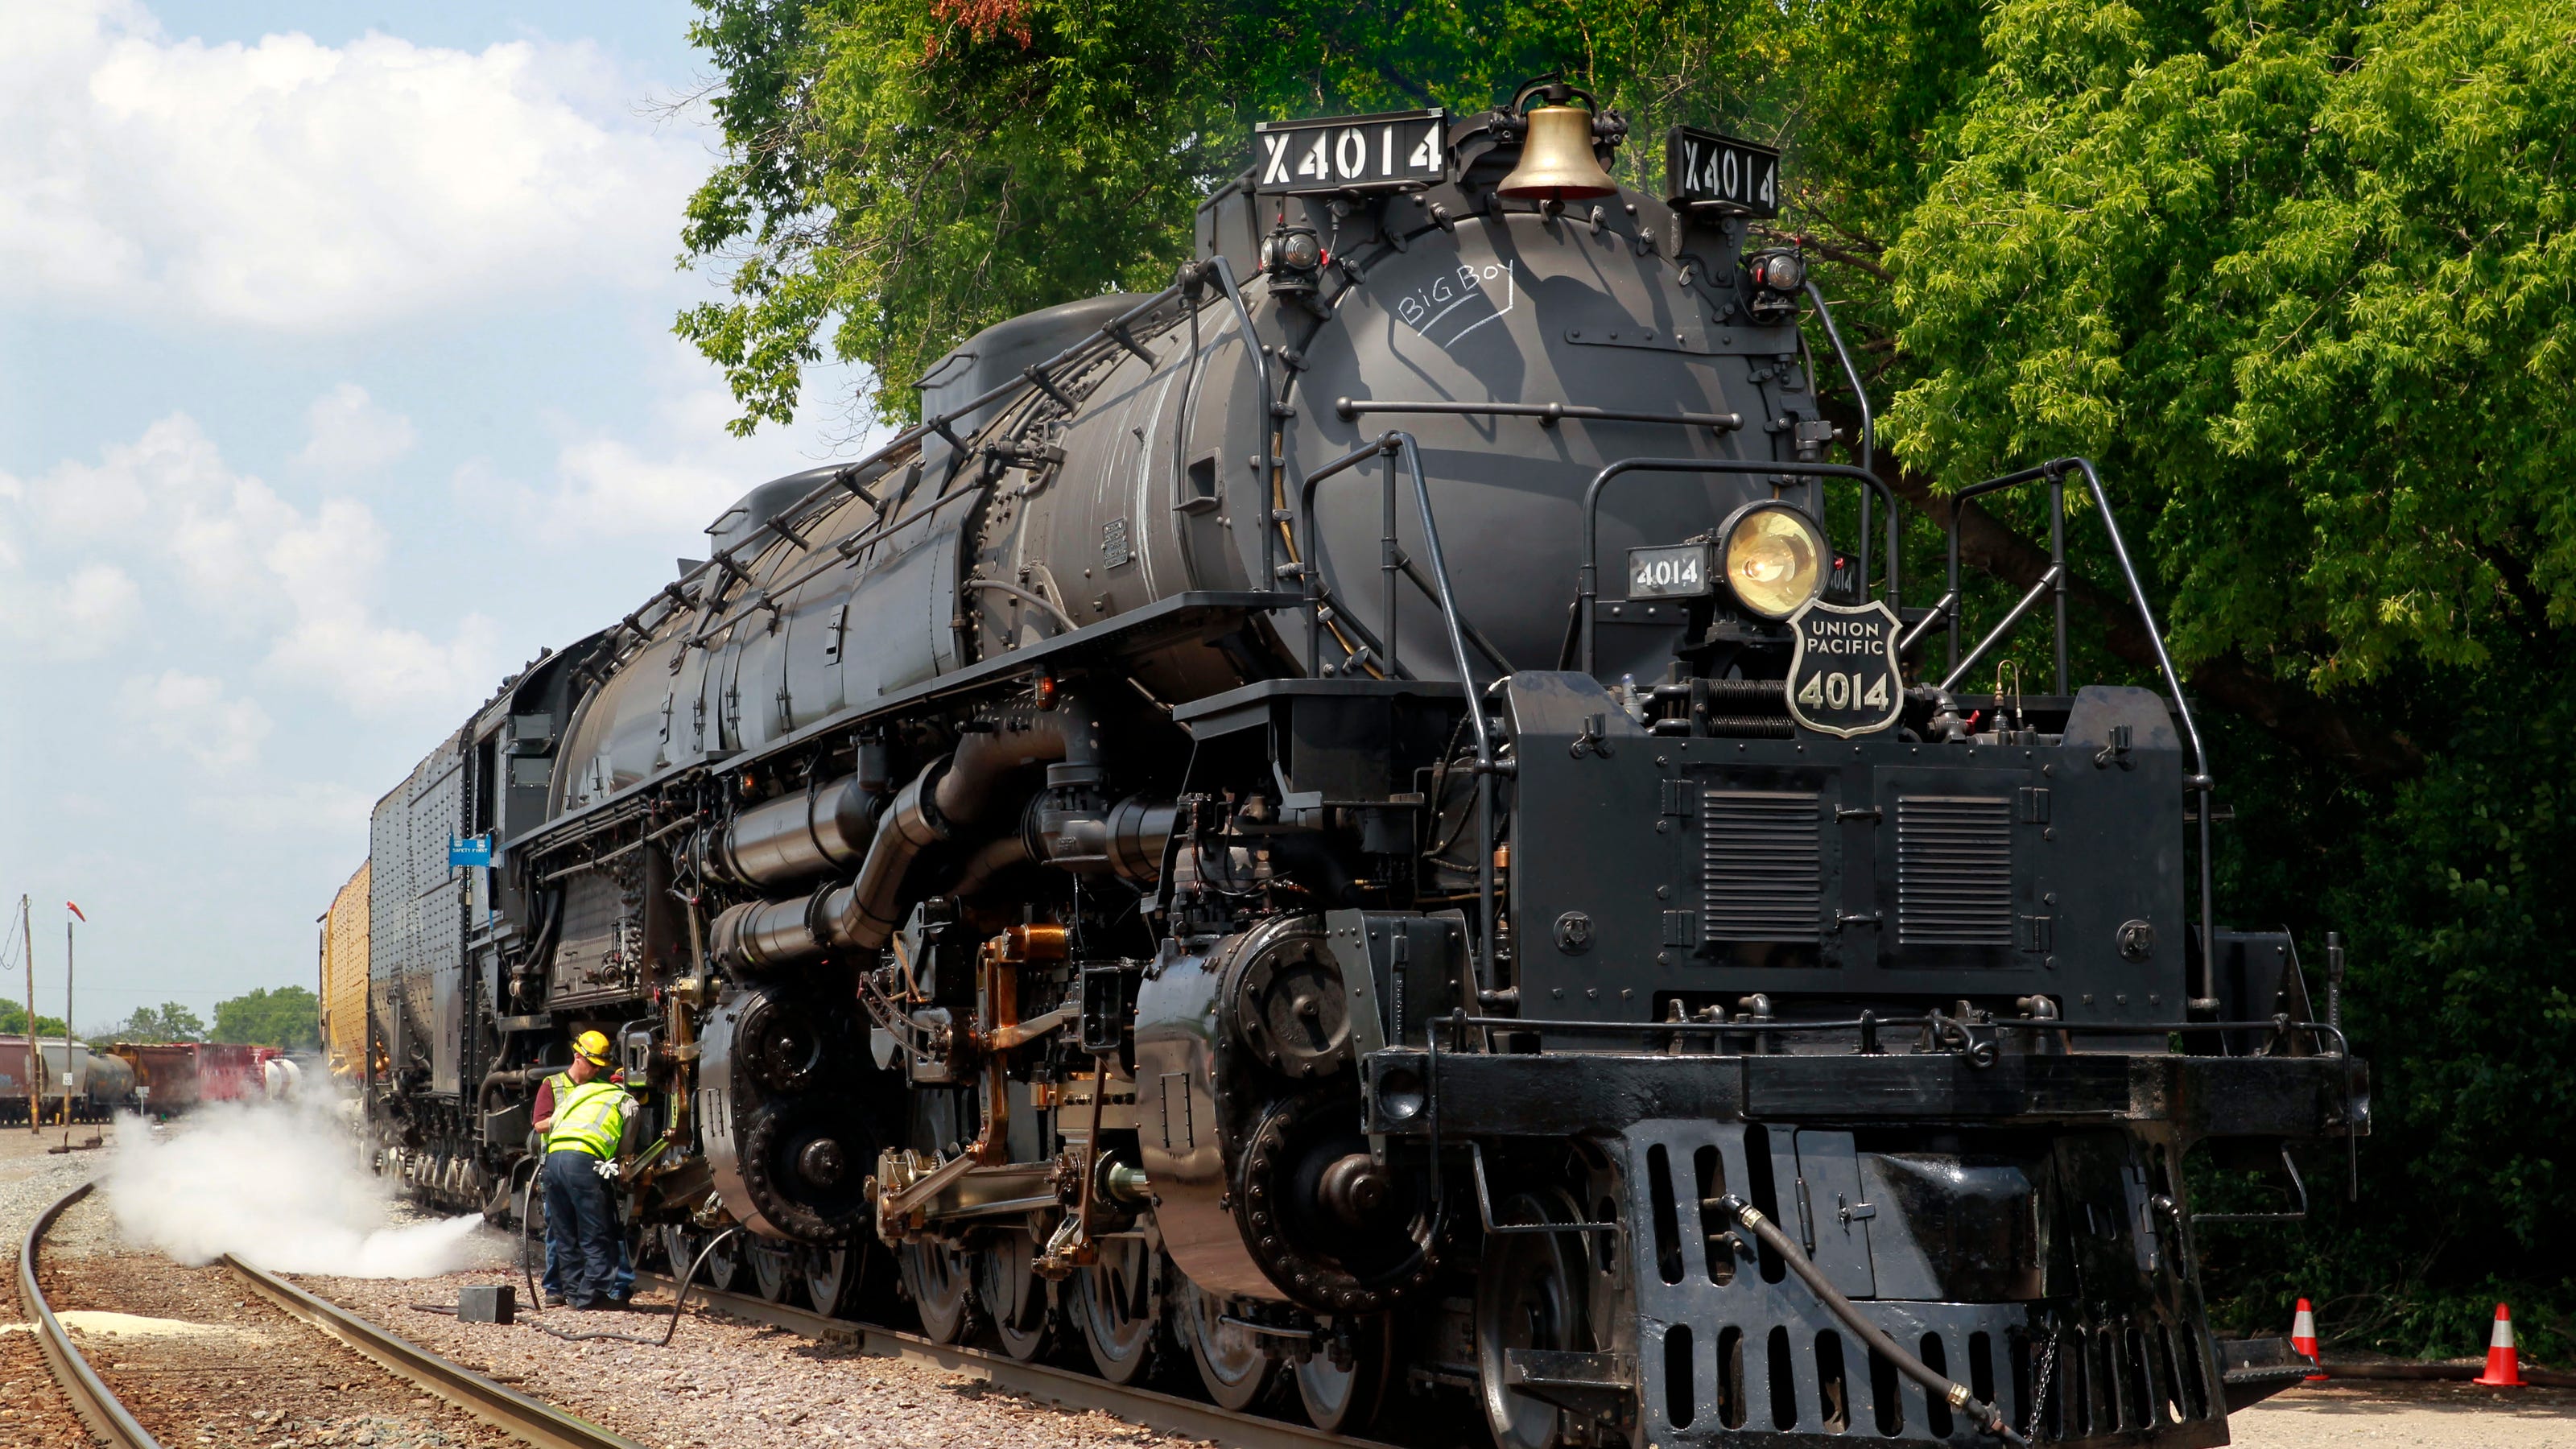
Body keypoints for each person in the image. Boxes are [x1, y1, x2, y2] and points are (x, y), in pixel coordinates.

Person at [530, 1030, 637, 1310]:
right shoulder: (555, 1085)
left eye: (600, 1067)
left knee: (572, 1232)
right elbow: (539, 1123)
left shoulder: (593, 1086)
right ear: (578, 1056)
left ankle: (580, 1295)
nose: (596, 1070)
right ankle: (574, 1294)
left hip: (558, 1161)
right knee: (586, 1230)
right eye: (593, 1064)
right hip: (573, 1161)